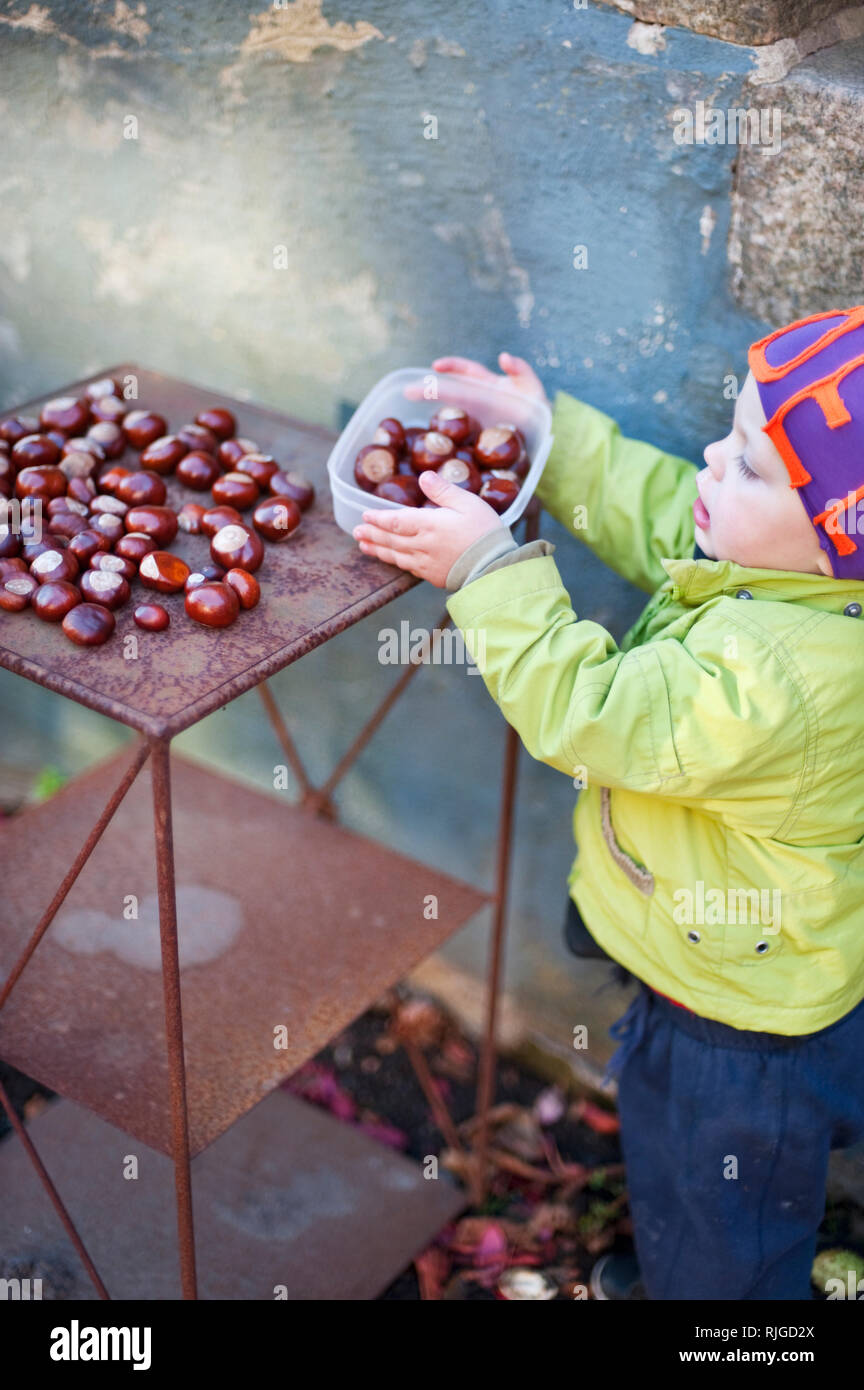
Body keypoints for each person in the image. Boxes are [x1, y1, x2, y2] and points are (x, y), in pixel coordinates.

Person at [352, 309, 864, 1300]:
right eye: (731, 434)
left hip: (734, 1025)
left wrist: (486, 571)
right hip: (773, 967)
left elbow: (591, 714)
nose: (710, 461)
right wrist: (560, 437)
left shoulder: (781, 686)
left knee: (722, 1203)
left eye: (751, 467)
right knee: (723, 1170)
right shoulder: (804, 584)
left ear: (838, 540)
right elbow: (672, 510)